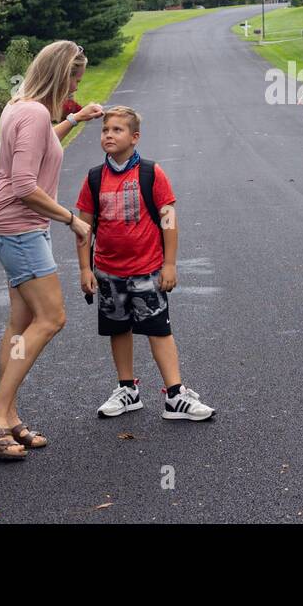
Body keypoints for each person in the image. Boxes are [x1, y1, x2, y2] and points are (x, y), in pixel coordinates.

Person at [0, 41, 103, 458]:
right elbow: (24, 186)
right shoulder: (31, 113)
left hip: (12, 225)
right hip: (20, 227)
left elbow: (43, 143)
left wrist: (75, 119)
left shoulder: (21, 106)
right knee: (52, 318)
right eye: (72, 81)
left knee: (20, 323)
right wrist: (72, 219)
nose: (73, 90)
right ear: (58, 74)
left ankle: (9, 416)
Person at [78, 107, 215, 422]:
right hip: (108, 272)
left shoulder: (151, 173)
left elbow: (168, 220)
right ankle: (127, 390)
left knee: (158, 330)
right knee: (118, 329)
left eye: (117, 130)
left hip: (147, 271)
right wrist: (85, 268)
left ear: (134, 137)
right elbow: (84, 227)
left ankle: (175, 395)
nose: (109, 135)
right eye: (105, 130)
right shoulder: (95, 178)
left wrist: (169, 264)